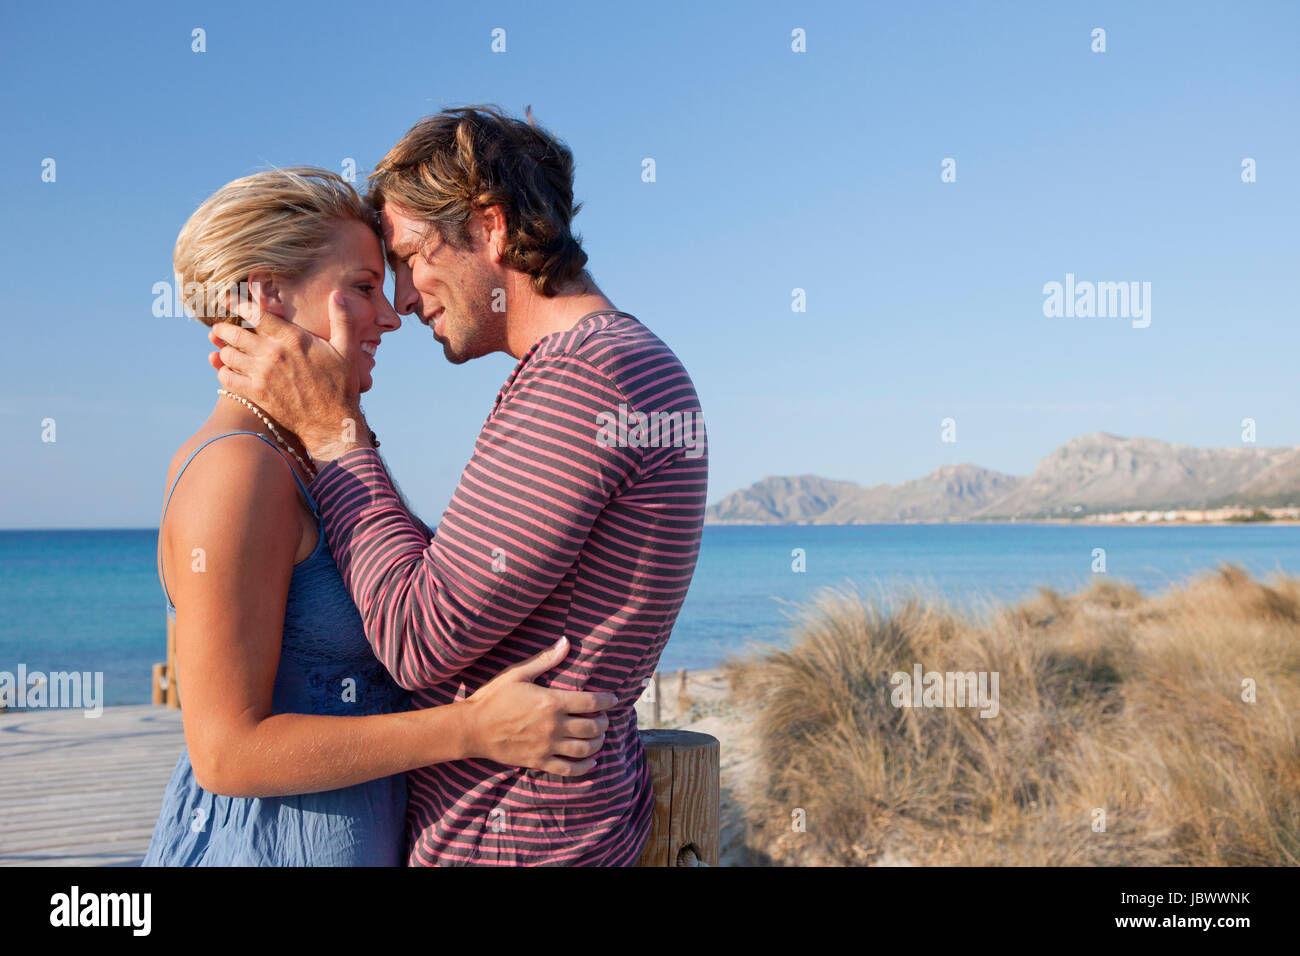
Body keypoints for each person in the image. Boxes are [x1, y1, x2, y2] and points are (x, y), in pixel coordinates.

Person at [209, 106, 709, 865]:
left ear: (490, 228)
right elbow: (466, 594)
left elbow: (418, 634)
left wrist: (333, 431)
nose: (404, 300)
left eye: (409, 258)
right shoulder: (599, 371)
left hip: (511, 842)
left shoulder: (588, 379)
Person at [145, 167, 614, 866]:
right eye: (363, 288)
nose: (392, 314)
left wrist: (340, 423)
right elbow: (225, 752)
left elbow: (413, 595)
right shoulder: (235, 473)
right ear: (264, 298)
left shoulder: (309, 453)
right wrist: (471, 731)